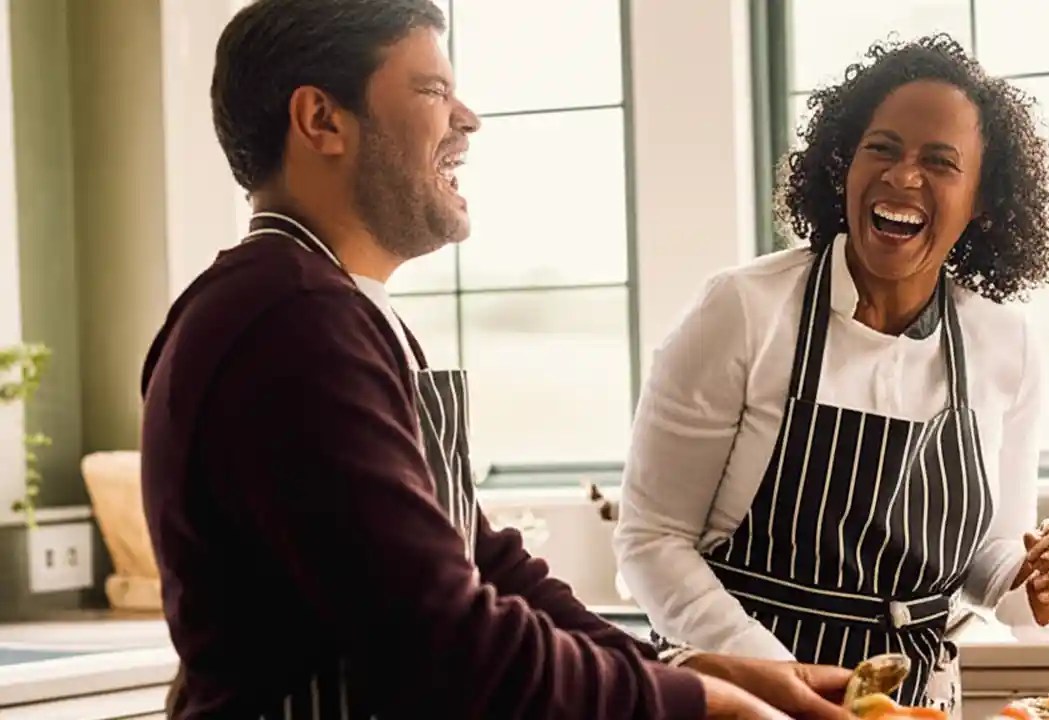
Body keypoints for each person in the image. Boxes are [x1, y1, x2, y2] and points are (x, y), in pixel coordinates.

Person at [139, 0, 858, 717]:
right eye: (432, 91)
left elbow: (485, 565)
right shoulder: (291, 323)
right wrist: (705, 707)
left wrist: (691, 667)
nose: (468, 119)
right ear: (322, 119)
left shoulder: (330, 308)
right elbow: (445, 640)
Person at [613, 34, 1049, 712]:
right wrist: (781, 684)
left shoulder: (1005, 344)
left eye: (939, 161)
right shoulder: (745, 311)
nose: (903, 177)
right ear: (844, 164)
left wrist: (1042, 579)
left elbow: (990, 553)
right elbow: (651, 540)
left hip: (915, 703)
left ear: (983, 200)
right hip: (742, 700)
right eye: (882, 148)